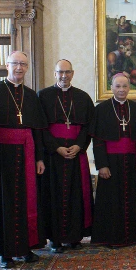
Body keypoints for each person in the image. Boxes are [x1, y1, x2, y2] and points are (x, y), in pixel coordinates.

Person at [0, 51, 48, 269]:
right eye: (15, 63)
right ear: (6, 65)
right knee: (2, 203)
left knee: (26, 201)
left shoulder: (31, 95)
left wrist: (39, 158)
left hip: (26, 155)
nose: (19, 68)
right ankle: (3, 252)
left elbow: (37, 131)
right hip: (0, 157)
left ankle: (25, 248)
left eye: (23, 64)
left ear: (27, 67)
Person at [38, 60, 95, 253]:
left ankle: (74, 237)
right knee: (53, 195)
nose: (64, 76)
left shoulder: (83, 97)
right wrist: (56, 147)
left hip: (76, 155)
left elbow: (88, 126)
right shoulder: (43, 96)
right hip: (53, 156)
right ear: (54, 74)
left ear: (73, 73)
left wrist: (79, 145)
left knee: (76, 194)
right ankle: (55, 239)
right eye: (60, 72)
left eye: (67, 72)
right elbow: (41, 127)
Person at [90, 74, 136, 247]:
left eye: (125, 86)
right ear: (111, 87)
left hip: (130, 161)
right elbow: (97, 140)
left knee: (129, 198)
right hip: (110, 162)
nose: (121, 90)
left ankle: (131, 237)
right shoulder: (102, 109)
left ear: (129, 88)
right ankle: (110, 238)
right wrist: (102, 165)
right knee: (111, 199)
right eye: (118, 86)